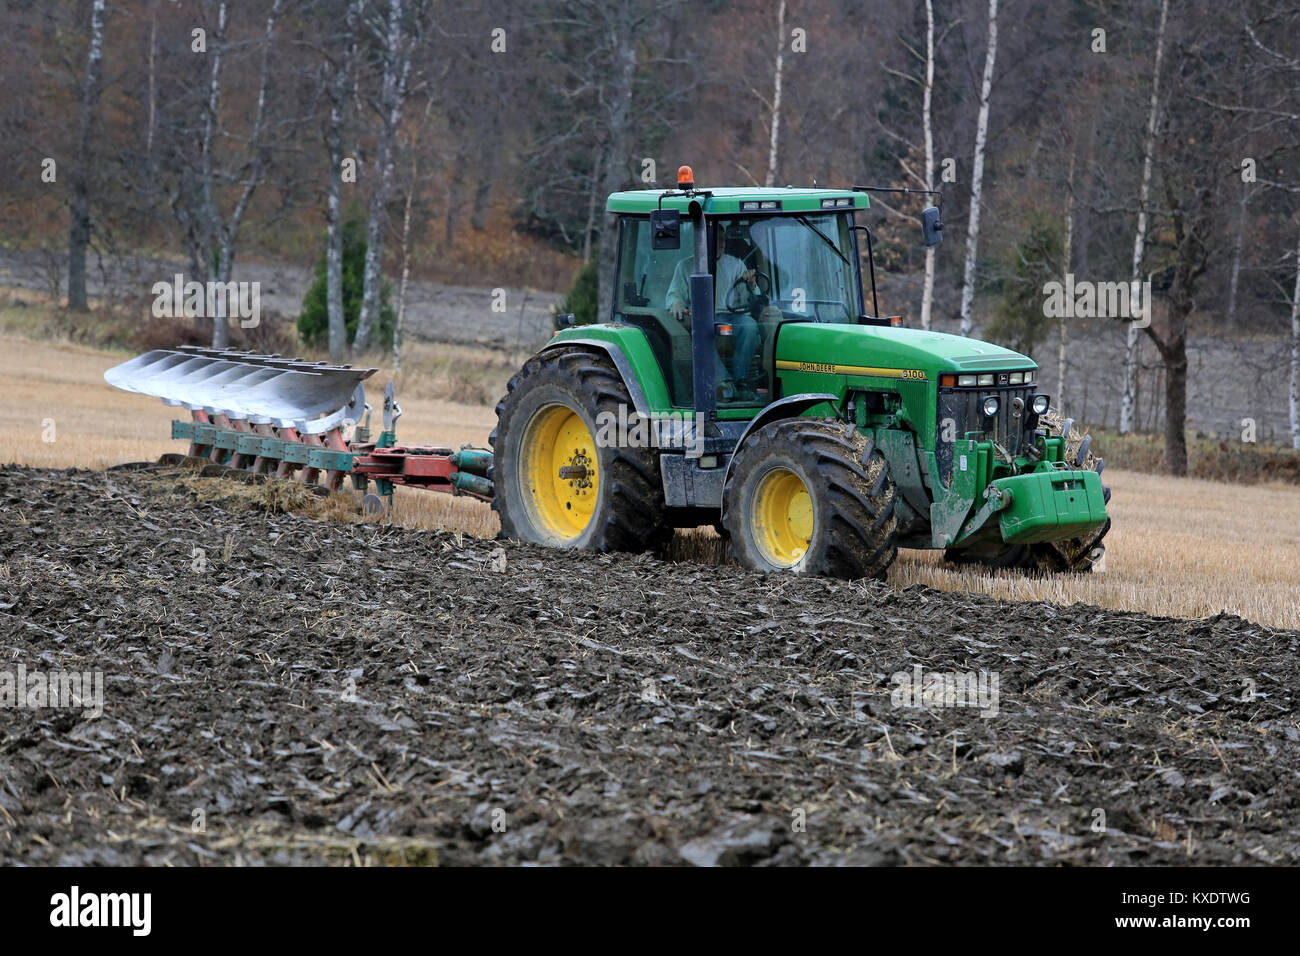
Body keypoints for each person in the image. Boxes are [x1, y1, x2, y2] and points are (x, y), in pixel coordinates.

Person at [664, 231, 762, 398]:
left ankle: (741, 380)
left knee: (750, 326)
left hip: (731, 316)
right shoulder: (686, 266)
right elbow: (674, 294)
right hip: (701, 317)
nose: (721, 243)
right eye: (717, 239)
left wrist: (751, 285)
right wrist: (676, 303)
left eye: (723, 239)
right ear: (703, 240)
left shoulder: (736, 265)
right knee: (702, 332)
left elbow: (750, 300)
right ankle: (723, 382)